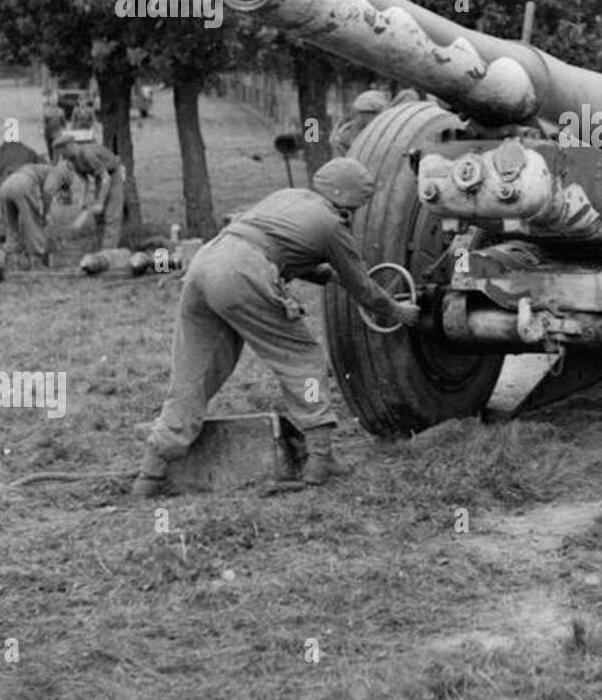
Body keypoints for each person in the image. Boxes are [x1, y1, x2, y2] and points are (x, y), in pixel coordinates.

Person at [131, 157, 416, 497]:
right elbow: (365, 290)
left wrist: (324, 274)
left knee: (195, 374)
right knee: (303, 361)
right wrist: (398, 311)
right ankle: (320, 458)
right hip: (243, 273)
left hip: (206, 264)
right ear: (351, 202)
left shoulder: (288, 196)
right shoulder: (332, 225)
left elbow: (271, 242)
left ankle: (152, 470)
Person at [52, 131, 126, 248]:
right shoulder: (72, 159)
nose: (62, 156)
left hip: (113, 176)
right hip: (99, 178)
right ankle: (99, 248)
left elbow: (106, 178)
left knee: (112, 216)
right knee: (98, 217)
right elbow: (85, 180)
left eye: (63, 151)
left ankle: (108, 252)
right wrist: (83, 200)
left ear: (71, 146)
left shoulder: (88, 154)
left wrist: (100, 201)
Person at [0, 158, 72, 268]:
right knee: (33, 222)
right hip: (23, 183)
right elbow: (48, 191)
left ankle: (11, 260)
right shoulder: (57, 173)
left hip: (6, 185)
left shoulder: (41, 169)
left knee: (11, 225)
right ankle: (37, 260)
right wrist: (46, 212)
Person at [329, 89, 391, 158]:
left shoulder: (388, 131)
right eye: (360, 113)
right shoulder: (344, 135)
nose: (361, 118)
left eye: (370, 113)